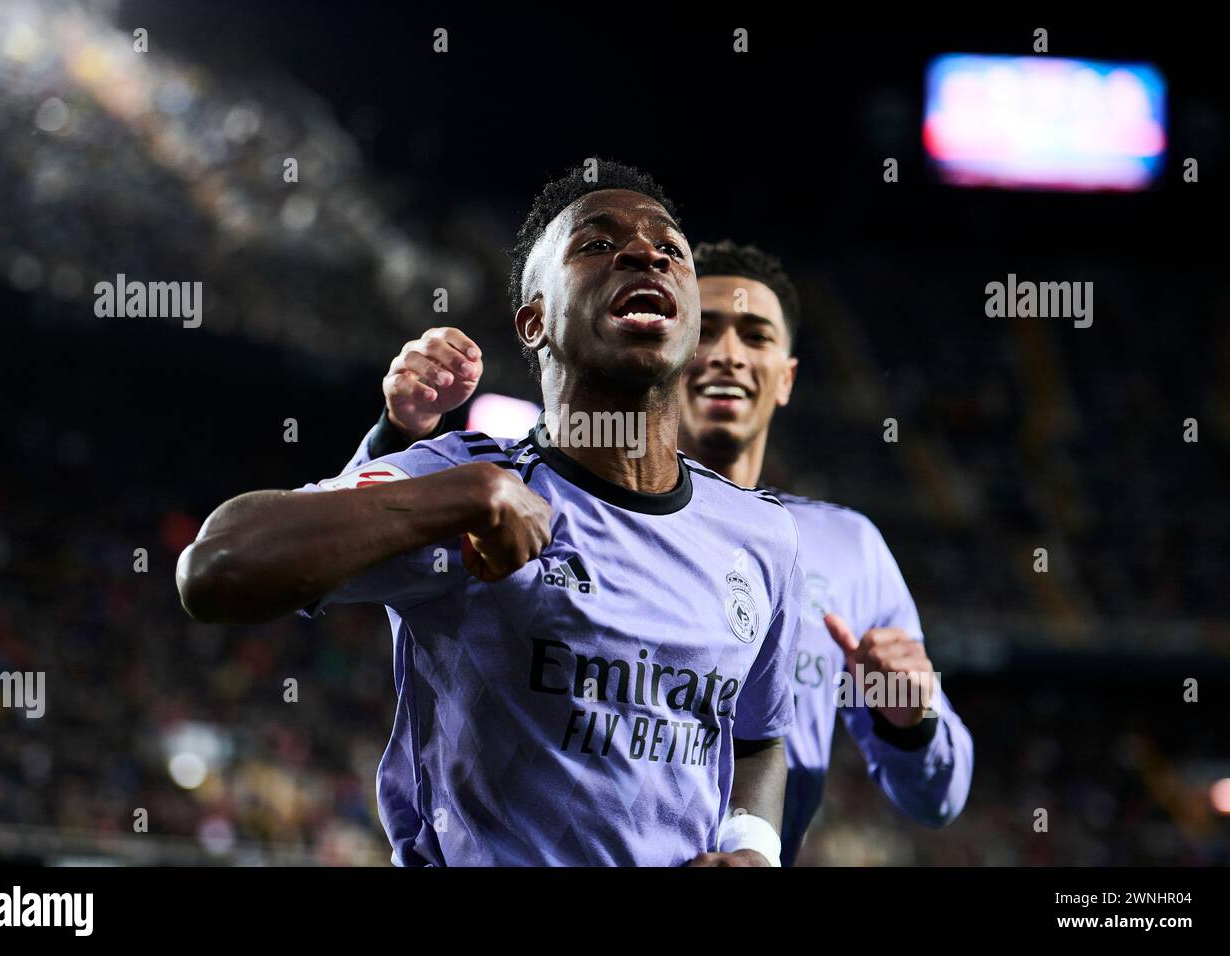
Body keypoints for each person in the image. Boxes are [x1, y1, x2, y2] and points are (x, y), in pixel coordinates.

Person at [176, 163, 804, 867]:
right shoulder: (461, 479)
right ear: (534, 320)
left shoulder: (761, 536)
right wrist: (462, 496)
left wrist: (753, 847)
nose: (644, 252)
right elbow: (217, 567)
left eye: (670, 248)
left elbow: (758, 735)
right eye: (597, 245)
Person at [351, 239, 973, 865]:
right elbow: (350, 550)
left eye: (756, 336)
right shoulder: (550, 492)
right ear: (668, 340)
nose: (728, 355)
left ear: (786, 378)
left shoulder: (849, 549)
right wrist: (394, 438)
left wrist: (913, 724)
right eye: (711, 331)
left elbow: (936, 800)